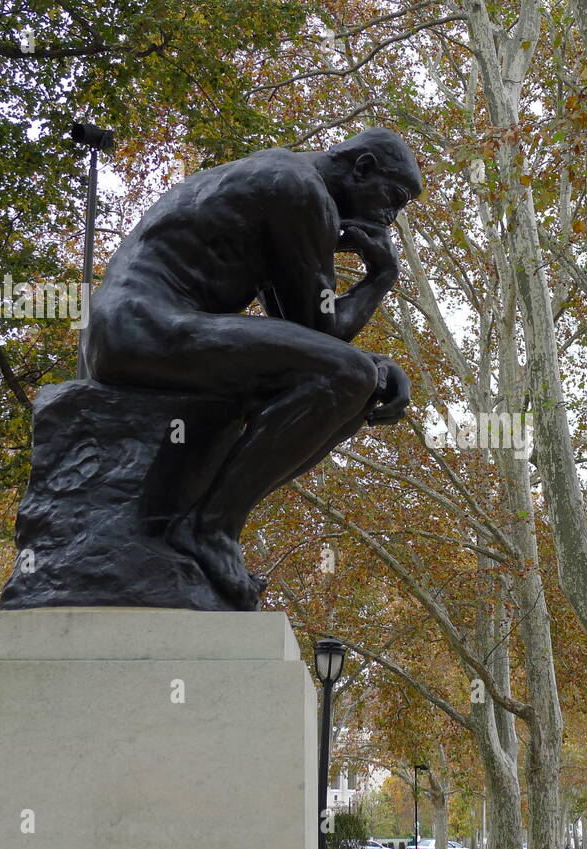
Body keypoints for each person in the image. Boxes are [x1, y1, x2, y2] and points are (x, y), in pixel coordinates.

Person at [83, 128, 422, 608]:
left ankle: (205, 524)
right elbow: (322, 333)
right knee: (348, 377)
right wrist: (381, 278)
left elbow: (302, 334)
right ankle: (210, 529)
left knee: (358, 384)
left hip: (139, 328)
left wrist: (376, 366)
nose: (391, 217)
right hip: (144, 327)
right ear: (362, 167)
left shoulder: (285, 180)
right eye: (393, 198)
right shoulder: (300, 189)